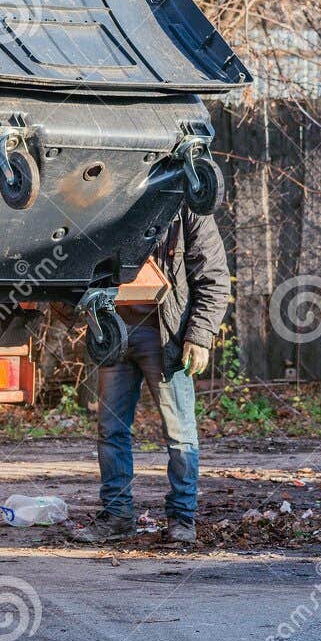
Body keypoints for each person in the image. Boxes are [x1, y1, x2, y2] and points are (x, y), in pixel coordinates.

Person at [73, 206, 230, 546]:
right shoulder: (107, 194)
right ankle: (117, 517)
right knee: (110, 430)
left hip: (165, 335)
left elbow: (213, 274)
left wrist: (199, 336)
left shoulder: (187, 207)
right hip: (113, 331)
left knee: (180, 433)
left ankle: (181, 521)